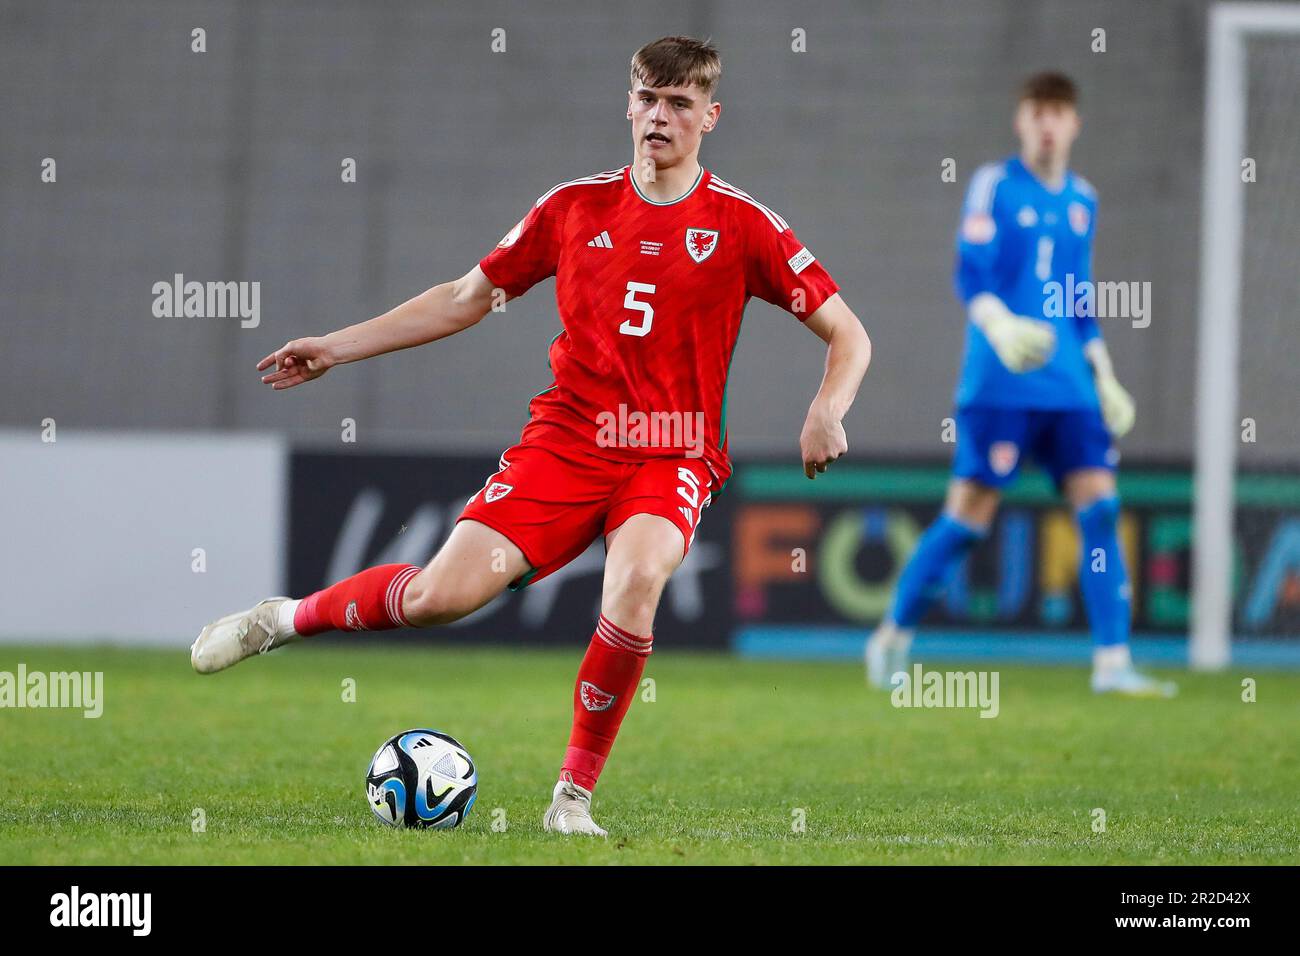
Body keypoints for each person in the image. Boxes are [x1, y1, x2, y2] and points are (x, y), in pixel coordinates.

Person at [191, 36, 873, 834]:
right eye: (649, 98)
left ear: (709, 117)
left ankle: (570, 799)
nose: (661, 116)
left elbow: (849, 333)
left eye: (680, 104)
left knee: (640, 575)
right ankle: (285, 618)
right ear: (628, 103)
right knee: (439, 599)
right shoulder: (573, 208)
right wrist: (336, 347)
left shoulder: (742, 224)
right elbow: (464, 296)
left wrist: (828, 408)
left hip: (672, 448)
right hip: (567, 443)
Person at [865, 72, 1174, 698]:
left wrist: (1104, 372)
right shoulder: (994, 184)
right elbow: (969, 272)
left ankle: (1112, 662)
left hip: (1068, 389)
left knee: (1101, 508)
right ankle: (892, 636)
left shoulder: (1084, 199)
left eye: (1058, 112)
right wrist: (1000, 325)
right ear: (1021, 120)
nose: (1048, 124)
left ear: (1074, 123)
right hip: (1000, 383)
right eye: (1037, 111)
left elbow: (1078, 295)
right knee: (967, 520)